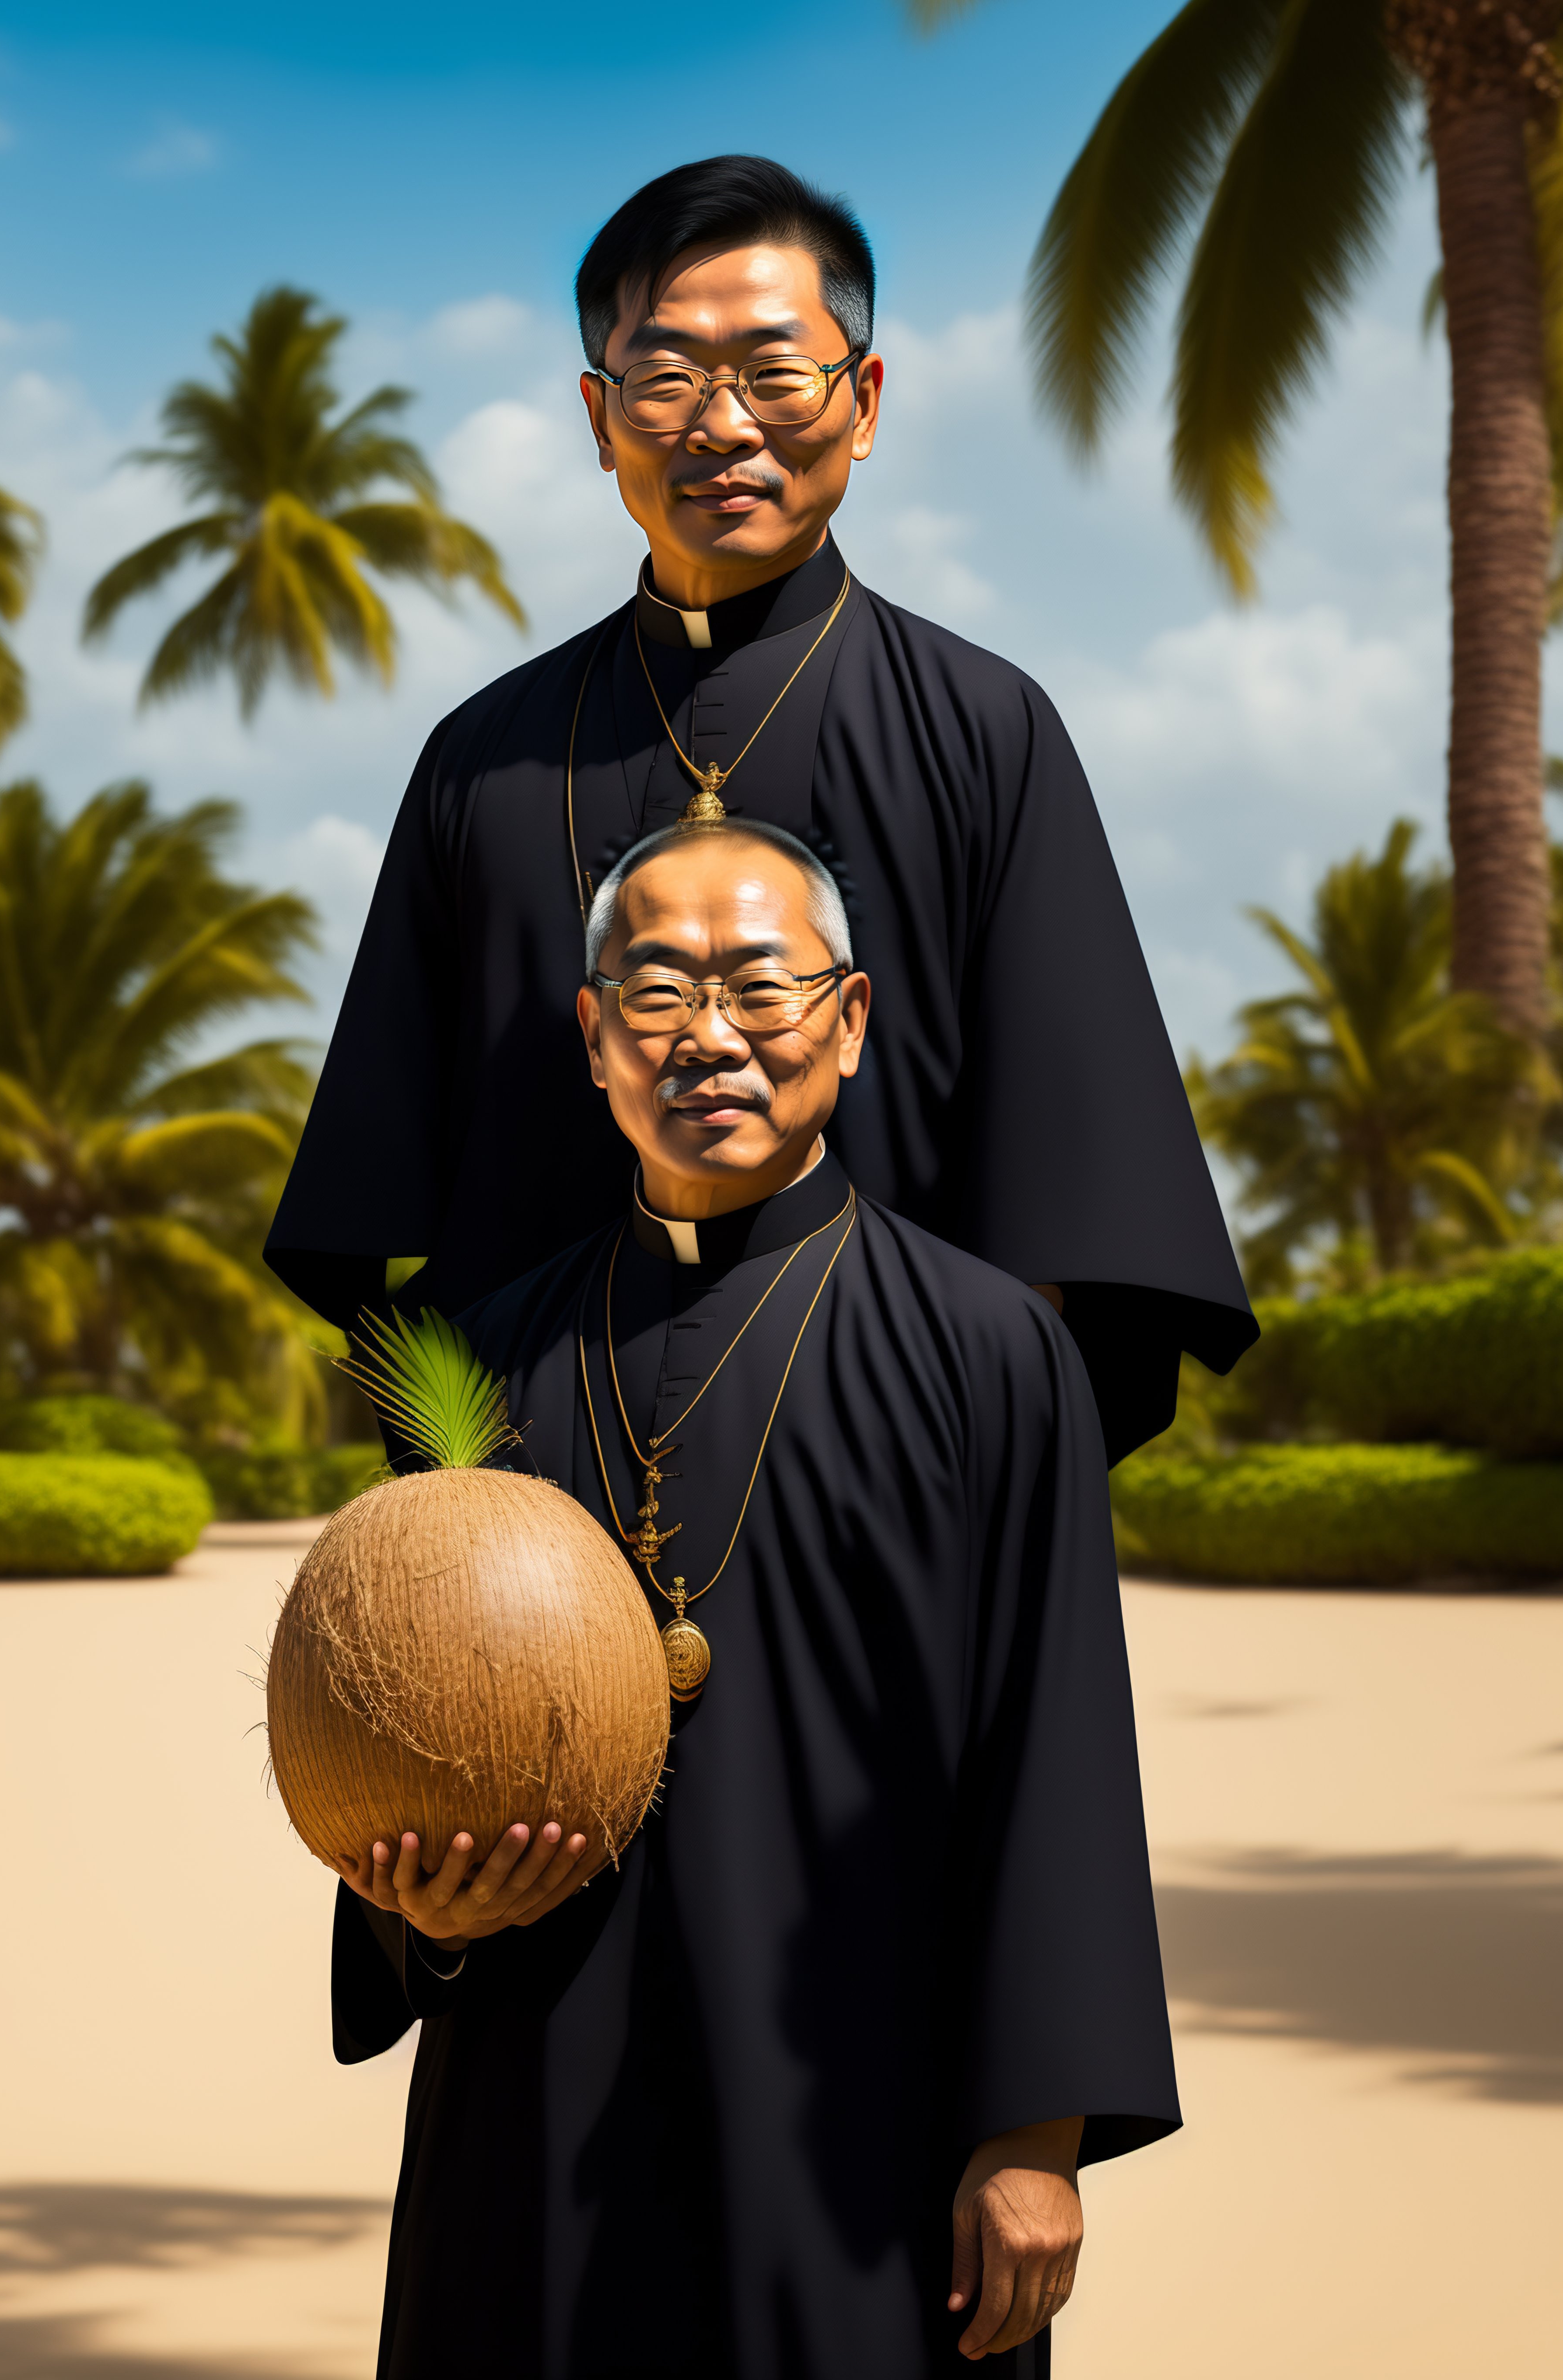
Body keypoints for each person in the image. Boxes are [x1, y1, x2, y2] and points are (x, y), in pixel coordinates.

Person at [331, 819, 1179, 2379]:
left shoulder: (991, 1351)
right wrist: (420, 1930)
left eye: (757, 987)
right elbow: (400, 1717)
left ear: (847, 1023)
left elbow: (1052, 1750)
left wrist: (1036, 2136)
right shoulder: (477, 1361)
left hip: (866, 2113)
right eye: (653, 992)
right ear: (591, 1039)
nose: (708, 1036)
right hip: (534, 2077)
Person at [268, 152, 1254, 1464]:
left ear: (864, 401)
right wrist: (467, 1480)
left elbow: (1085, 1208)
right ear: (598, 413)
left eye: (777, 376)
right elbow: (375, 1212)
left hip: (888, 1492)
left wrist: (961, 1472)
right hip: (532, 1518)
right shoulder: (480, 761)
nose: (721, 428)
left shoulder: (984, 732)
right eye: (666, 378)